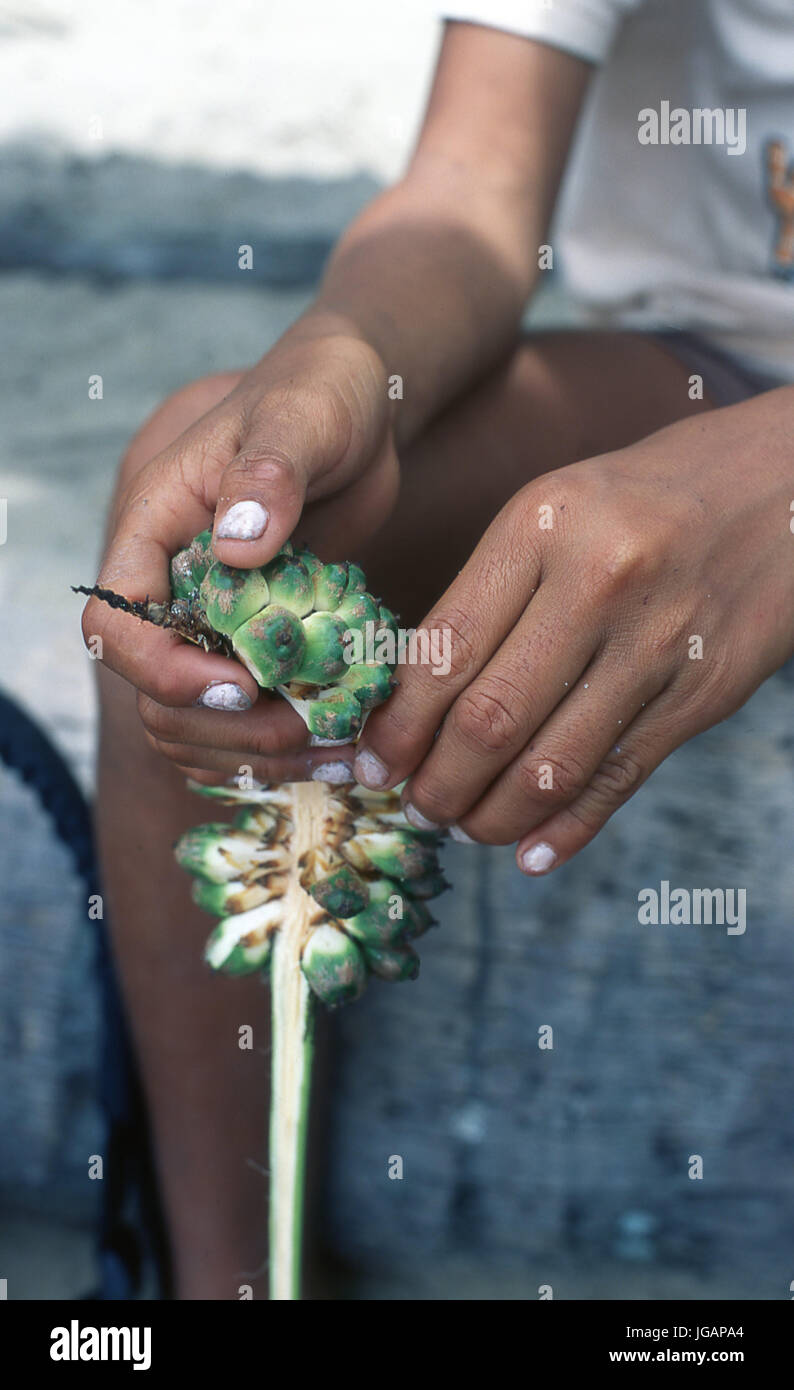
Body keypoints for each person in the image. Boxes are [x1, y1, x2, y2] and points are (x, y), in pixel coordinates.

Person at [83, 3, 794, 1298]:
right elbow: (473, 188)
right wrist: (344, 359)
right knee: (216, 519)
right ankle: (223, 1278)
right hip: (710, 362)